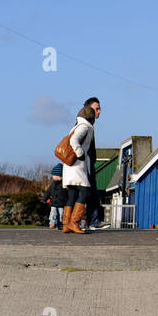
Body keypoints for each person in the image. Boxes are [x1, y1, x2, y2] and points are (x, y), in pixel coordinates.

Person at [61, 98, 100, 235]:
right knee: (85, 192)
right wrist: (80, 153)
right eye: (95, 111)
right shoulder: (85, 127)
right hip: (77, 165)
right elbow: (74, 140)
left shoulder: (76, 125)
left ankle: (66, 224)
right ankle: (74, 222)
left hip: (69, 165)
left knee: (72, 194)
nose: (98, 113)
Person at [45, 163, 66, 230]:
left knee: (61, 213)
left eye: (54, 175)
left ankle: (61, 224)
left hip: (62, 203)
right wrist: (45, 198)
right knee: (53, 213)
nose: (53, 176)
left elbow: (68, 193)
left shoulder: (64, 184)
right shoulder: (53, 184)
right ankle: (52, 222)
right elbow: (48, 192)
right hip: (54, 202)